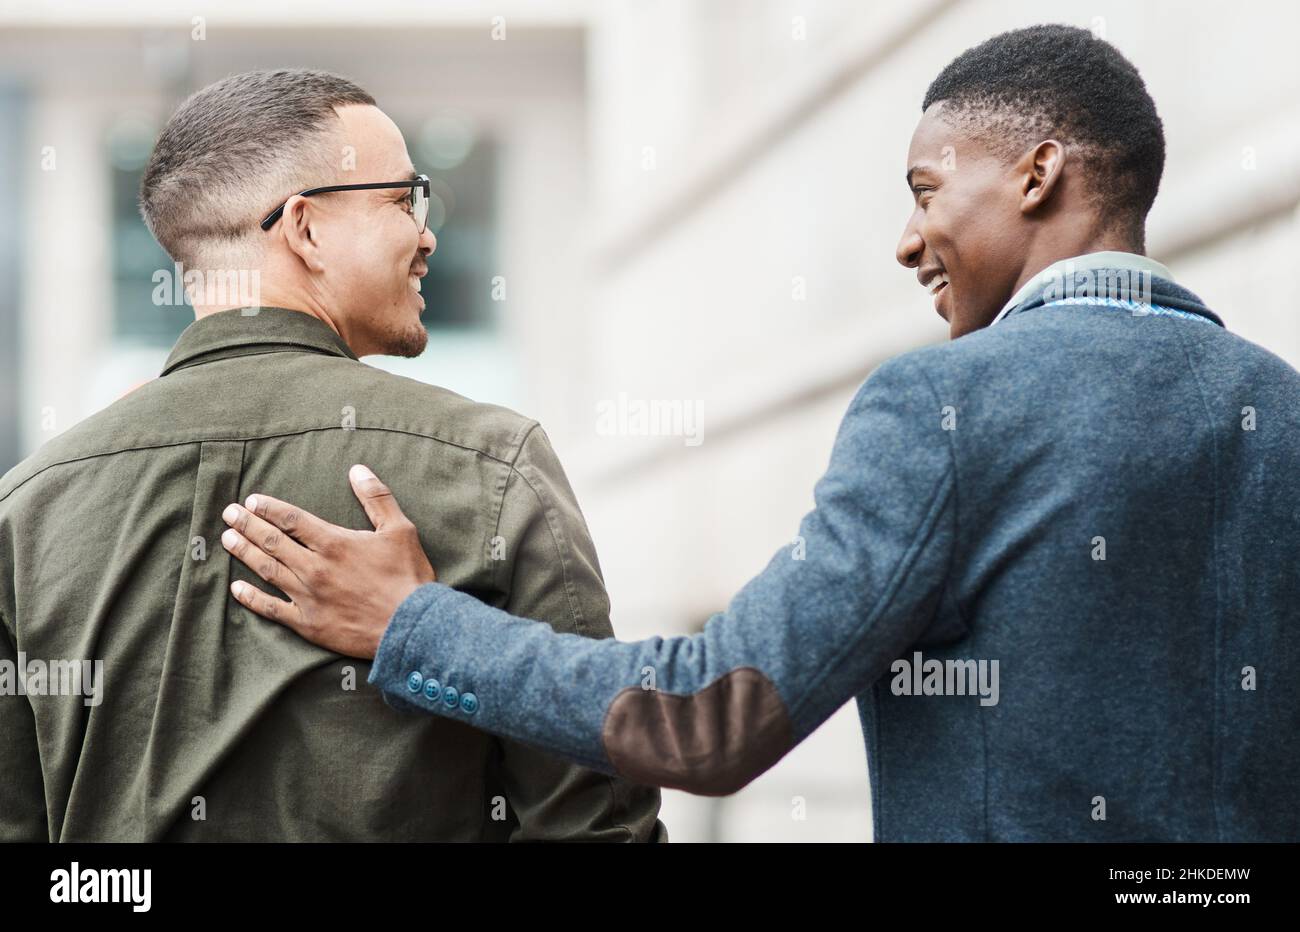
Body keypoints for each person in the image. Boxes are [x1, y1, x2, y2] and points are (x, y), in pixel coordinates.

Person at [221, 26, 1300, 841]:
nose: (906, 240)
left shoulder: (946, 406)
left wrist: (413, 624)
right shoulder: (1279, 407)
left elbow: (711, 714)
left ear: (1037, 174)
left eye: (926, 191)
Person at [0, 68, 665, 842]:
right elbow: (594, 825)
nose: (427, 235)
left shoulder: (28, 508)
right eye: (404, 200)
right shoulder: (488, 464)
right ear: (306, 229)